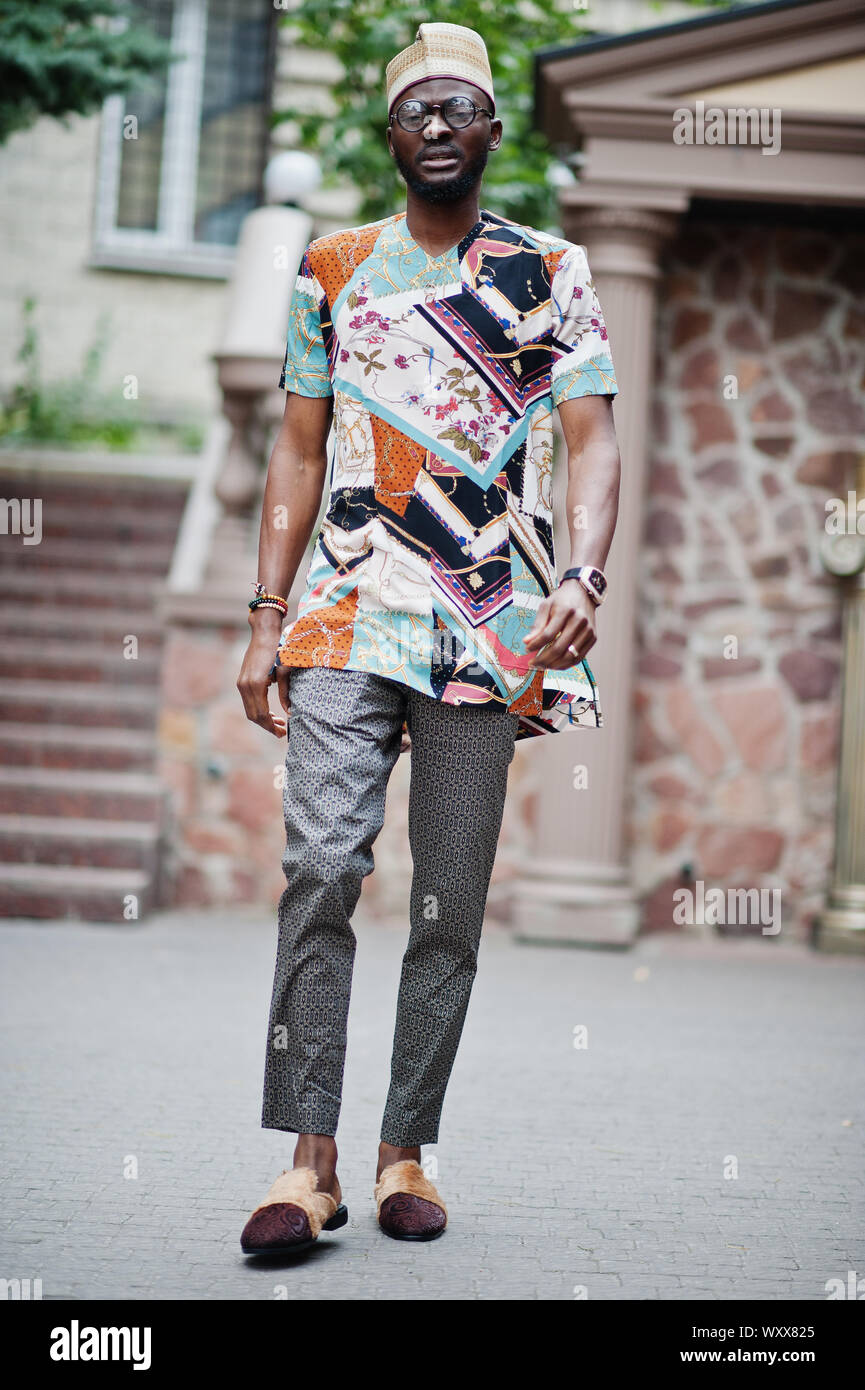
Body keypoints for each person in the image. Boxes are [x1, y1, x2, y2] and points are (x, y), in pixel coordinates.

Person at [237, 21, 621, 1254]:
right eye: (419, 110)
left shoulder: (550, 270)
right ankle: (310, 1163)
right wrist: (263, 617)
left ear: (492, 131)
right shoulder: (333, 268)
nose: (441, 125)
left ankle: (409, 1146)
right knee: (322, 869)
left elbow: (599, 440)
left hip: (488, 624)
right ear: (391, 135)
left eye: (463, 107)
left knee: (449, 903)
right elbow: (296, 447)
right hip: (344, 612)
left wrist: (585, 575)